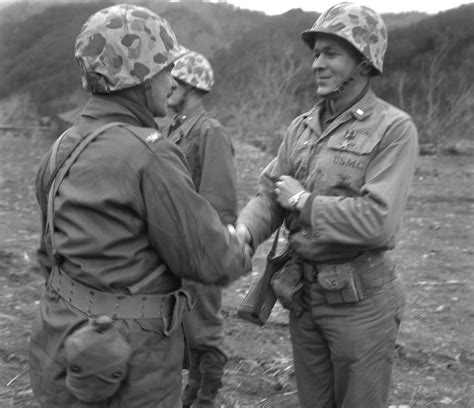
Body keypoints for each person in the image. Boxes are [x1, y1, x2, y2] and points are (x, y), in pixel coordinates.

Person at [29, 4, 251, 408]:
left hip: (60, 345)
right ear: (139, 78)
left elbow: (49, 256)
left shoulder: (61, 147)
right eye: (164, 69)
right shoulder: (151, 155)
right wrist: (243, 240)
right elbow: (209, 259)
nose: (170, 81)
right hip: (128, 368)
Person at [236, 2, 419, 407]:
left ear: (364, 63)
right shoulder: (302, 127)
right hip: (305, 297)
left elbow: (378, 222)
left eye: (331, 54)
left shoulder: (393, 129)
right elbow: (270, 195)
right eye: (316, 53)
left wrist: (303, 201)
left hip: (361, 303)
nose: (317, 64)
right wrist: (245, 231)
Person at [165, 51, 238, 408]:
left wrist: (207, 254)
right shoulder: (173, 128)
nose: (167, 90)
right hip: (175, 251)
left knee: (204, 332)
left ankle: (206, 397)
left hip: (199, 250)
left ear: (190, 88)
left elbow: (220, 203)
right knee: (186, 331)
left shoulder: (210, 133)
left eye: (173, 84)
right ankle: (192, 392)